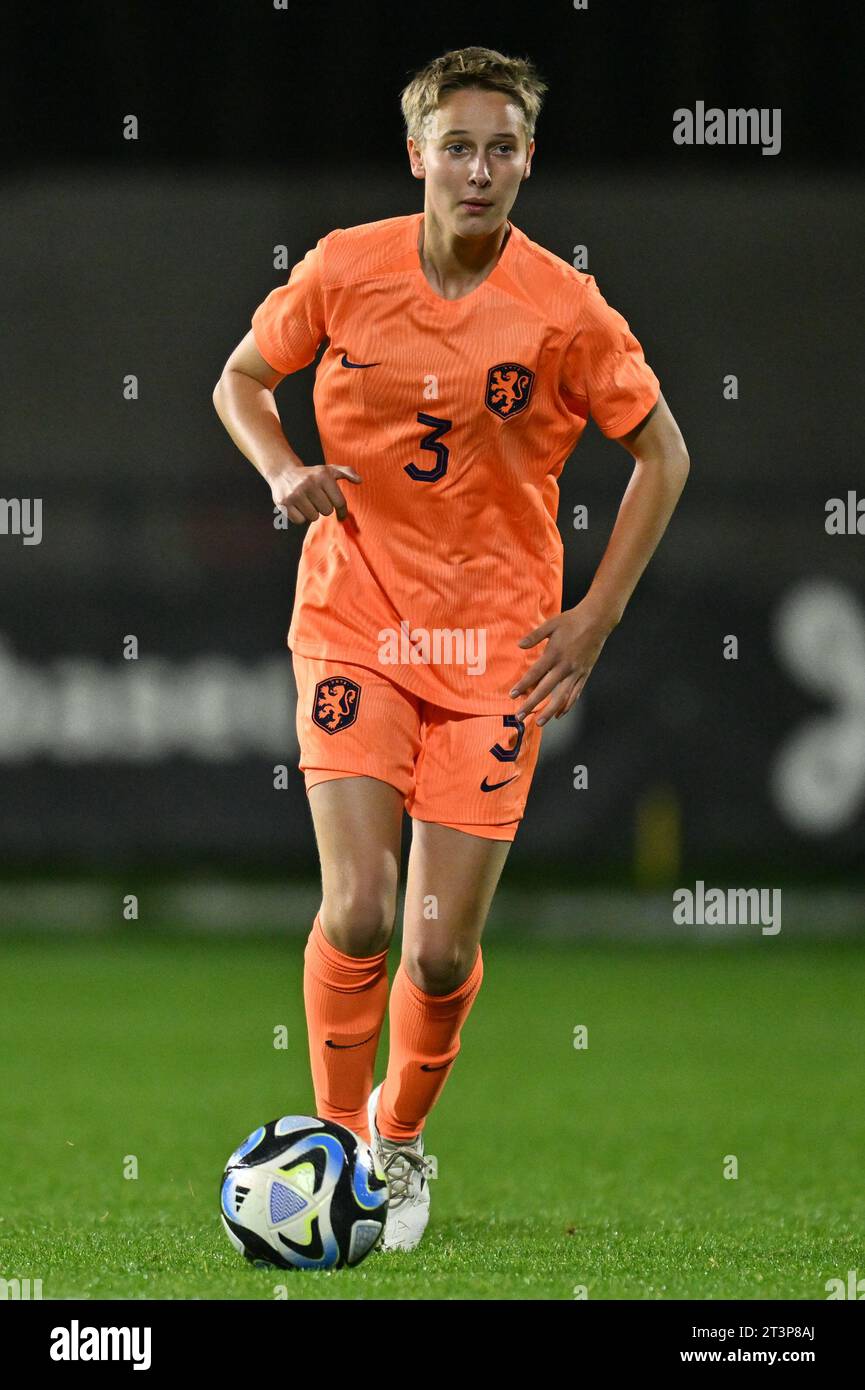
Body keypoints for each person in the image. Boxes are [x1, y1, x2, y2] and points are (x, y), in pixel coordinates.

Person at [212, 45, 690, 1254]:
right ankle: (333, 1149)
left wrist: (593, 618)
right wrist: (281, 470)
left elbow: (664, 458)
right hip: (354, 622)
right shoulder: (342, 267)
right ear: (417, 154)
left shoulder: (565, 309)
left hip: (495, 648)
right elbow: (240, 378)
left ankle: (401, 1139)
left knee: (436, 943)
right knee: (362, 908)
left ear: (528, 159)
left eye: (503, 147)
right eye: (459, 145)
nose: (480, 170)